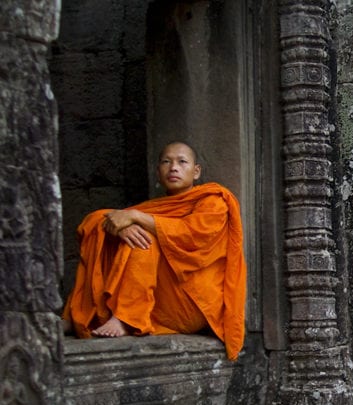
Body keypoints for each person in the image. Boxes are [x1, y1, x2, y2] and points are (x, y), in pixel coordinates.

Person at [62, 142, 246, 360]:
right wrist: (122, 227)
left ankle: (127, 318)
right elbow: (98, 220)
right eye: (166, 162)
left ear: (196, 172)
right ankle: (76, 315)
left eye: (182, 162)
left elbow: (190, 235)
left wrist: (136, 218)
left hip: (193, 302)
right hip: (160, 300)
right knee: (102, 223)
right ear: (157, 171)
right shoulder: (156, 207)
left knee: (145, 237)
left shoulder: (213, 202)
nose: (173, 168)